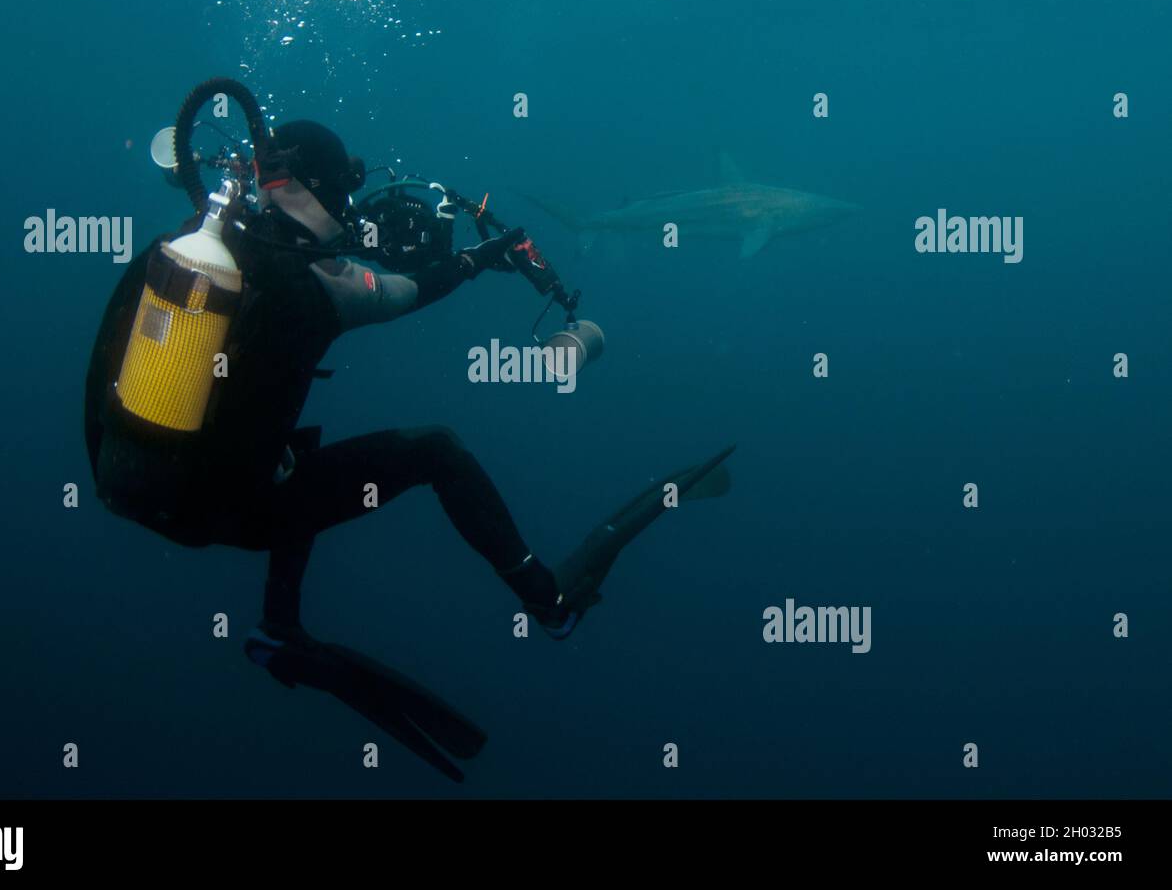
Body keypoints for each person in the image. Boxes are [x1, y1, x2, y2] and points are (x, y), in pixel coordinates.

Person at [84, 118, 734, 780]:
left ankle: (278, 626)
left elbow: (104, 366)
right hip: (220, 509)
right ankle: (548, 602)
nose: (347, 212)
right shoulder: (322, 287)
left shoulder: (185, 248)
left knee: (291, 452)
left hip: (123, 479)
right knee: (436, 452)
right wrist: (481, 259)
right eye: (341, 196)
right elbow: (410, 290)